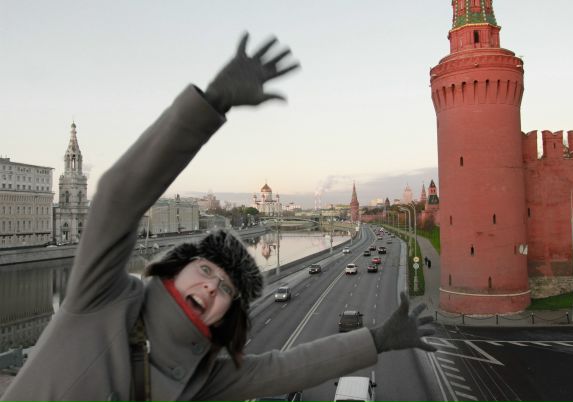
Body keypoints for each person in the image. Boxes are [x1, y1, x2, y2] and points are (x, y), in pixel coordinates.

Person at [2, 33, 435, 402]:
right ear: (176, 268)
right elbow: (118, 197)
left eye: (226, 288)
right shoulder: (103, 301)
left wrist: (378, 340)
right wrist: (210, 102)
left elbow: (287, 369)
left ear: (228, 313)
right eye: (207, 270)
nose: (211, 286)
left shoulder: (202, 377)